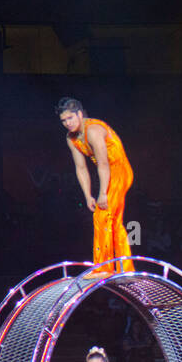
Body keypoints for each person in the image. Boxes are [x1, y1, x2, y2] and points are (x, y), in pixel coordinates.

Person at [58, 97, 135, 275]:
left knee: (102, 216)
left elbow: (103, 164)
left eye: (70, 118)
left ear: (79, 114)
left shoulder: (92, 130)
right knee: (113, 221)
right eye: (63, 121)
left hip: (119, 171)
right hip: (107, 173)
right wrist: (88, 196)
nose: (67, 123)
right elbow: (81, 168)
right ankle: (125, 268)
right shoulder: (71, 138)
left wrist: (102, 194)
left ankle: (103, 268)